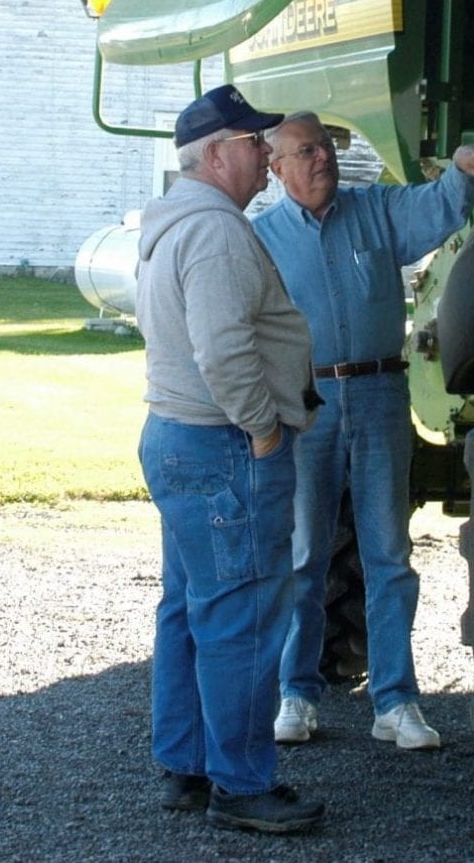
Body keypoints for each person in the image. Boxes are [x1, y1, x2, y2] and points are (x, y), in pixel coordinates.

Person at [251, 111, 474, 751]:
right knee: (303, 558)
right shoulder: (261, 238)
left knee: (389, 555)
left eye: (326, 148)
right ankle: (296, 695)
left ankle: (396, 702)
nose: (322, 159)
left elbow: (438, 207)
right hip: (309, 404)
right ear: (276, 169)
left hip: (383, 394)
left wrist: (467, 171)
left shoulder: (377, 211)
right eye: (305, 152)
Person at [134, 85, 325, 835]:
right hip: (224, 443)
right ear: (216, 156)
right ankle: (241, 786)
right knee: (242, 618)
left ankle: (187, 766)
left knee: (189, 607)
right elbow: (224, 349)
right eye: (254, 144)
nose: (266, 157)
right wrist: (264, 431)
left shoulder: (172, 222)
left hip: (178, 435)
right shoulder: (215, 232)